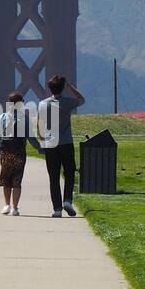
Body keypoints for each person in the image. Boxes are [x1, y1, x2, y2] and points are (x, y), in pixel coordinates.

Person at [37, 73, 85, 217]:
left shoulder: (42, 104)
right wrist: (70, 86)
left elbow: (40, 125)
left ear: (49, 88)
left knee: (53, 177)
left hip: (50, 144)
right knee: (69, 173)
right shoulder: (67, 102)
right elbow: (82, 99)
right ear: (62, 88)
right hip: (66, 142)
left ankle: (57, 209)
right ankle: (68, 201)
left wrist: (42, 140)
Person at [0, 91, 39, 216]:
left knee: (6, 180)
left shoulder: (2, 118)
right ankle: (15, 208)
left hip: (5, 152)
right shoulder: (25, 118)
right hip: (19, 153)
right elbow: (31, 137)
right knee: (17, 181)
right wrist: (40, 149)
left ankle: (6, 205)